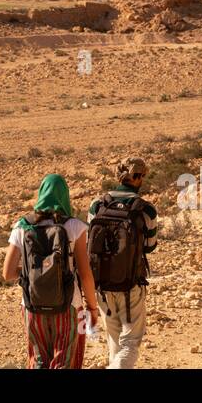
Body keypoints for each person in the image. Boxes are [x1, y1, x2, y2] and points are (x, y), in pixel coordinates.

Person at [3, 174, 100, 369]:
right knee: (65, 361)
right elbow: (85, 274)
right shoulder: (75, 226)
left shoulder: (22, 225)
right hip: (70, 305)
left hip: (32, 305)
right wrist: (92, 309)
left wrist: (36, 272)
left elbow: (7, 274)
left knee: (39, 361)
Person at [87, 156, 158, 369]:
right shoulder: (145, 209)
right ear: (140, 177)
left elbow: (90, 240)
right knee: (130, 343)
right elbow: (150, 245)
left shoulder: (97, 205)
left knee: (114, 338)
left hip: (101, 284)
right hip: (130, 283)